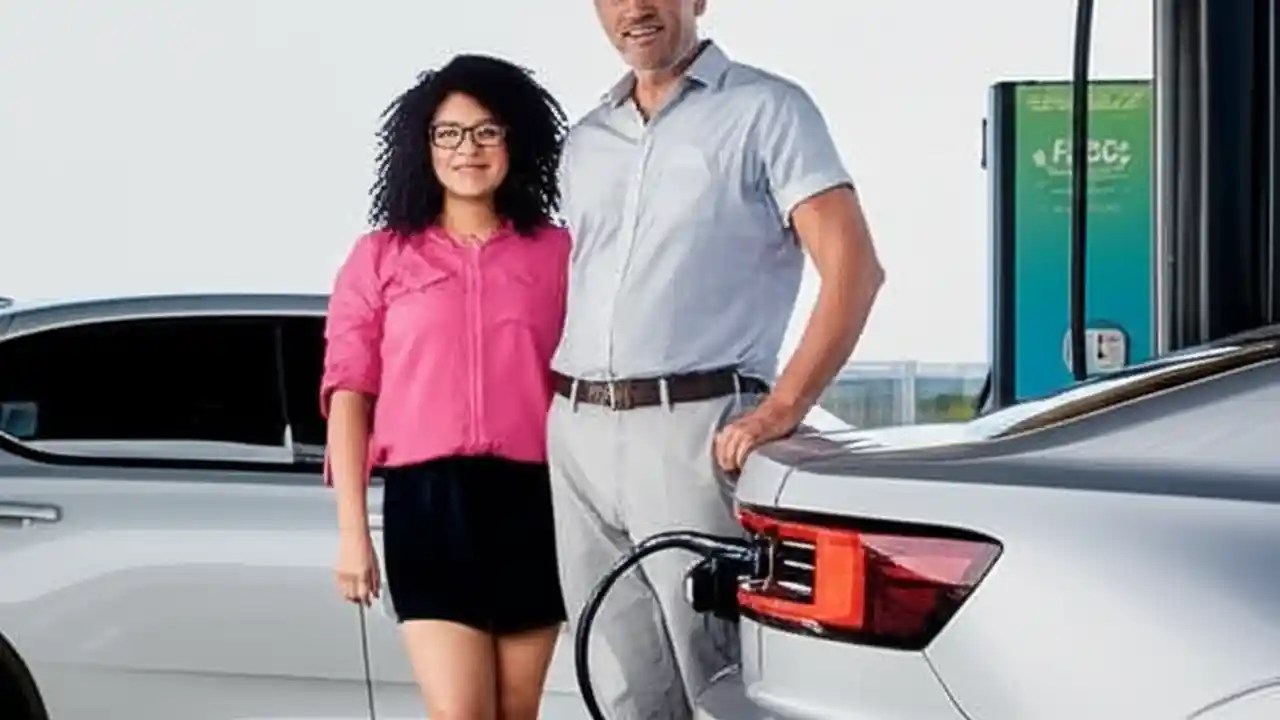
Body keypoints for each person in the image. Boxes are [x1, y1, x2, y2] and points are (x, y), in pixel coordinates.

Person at [549, 1, 885, 718]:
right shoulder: (585, 142)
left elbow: (854, 269)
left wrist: (783, 407)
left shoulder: (769, 111)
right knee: (617, 683)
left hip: (693, 430)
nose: (634, 9)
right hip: (576, 429)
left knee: (718, 679)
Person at [321, 54, 571, 720]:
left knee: (516, 714)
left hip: (536, 503)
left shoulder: (558, 255)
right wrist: (354, 533)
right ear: (422, 146)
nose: (469, 149)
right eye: (450, 133)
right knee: (461, 714)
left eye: (488, 131)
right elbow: (349, 395)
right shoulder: (378, 258)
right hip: (428, 506)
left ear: (516, 141)